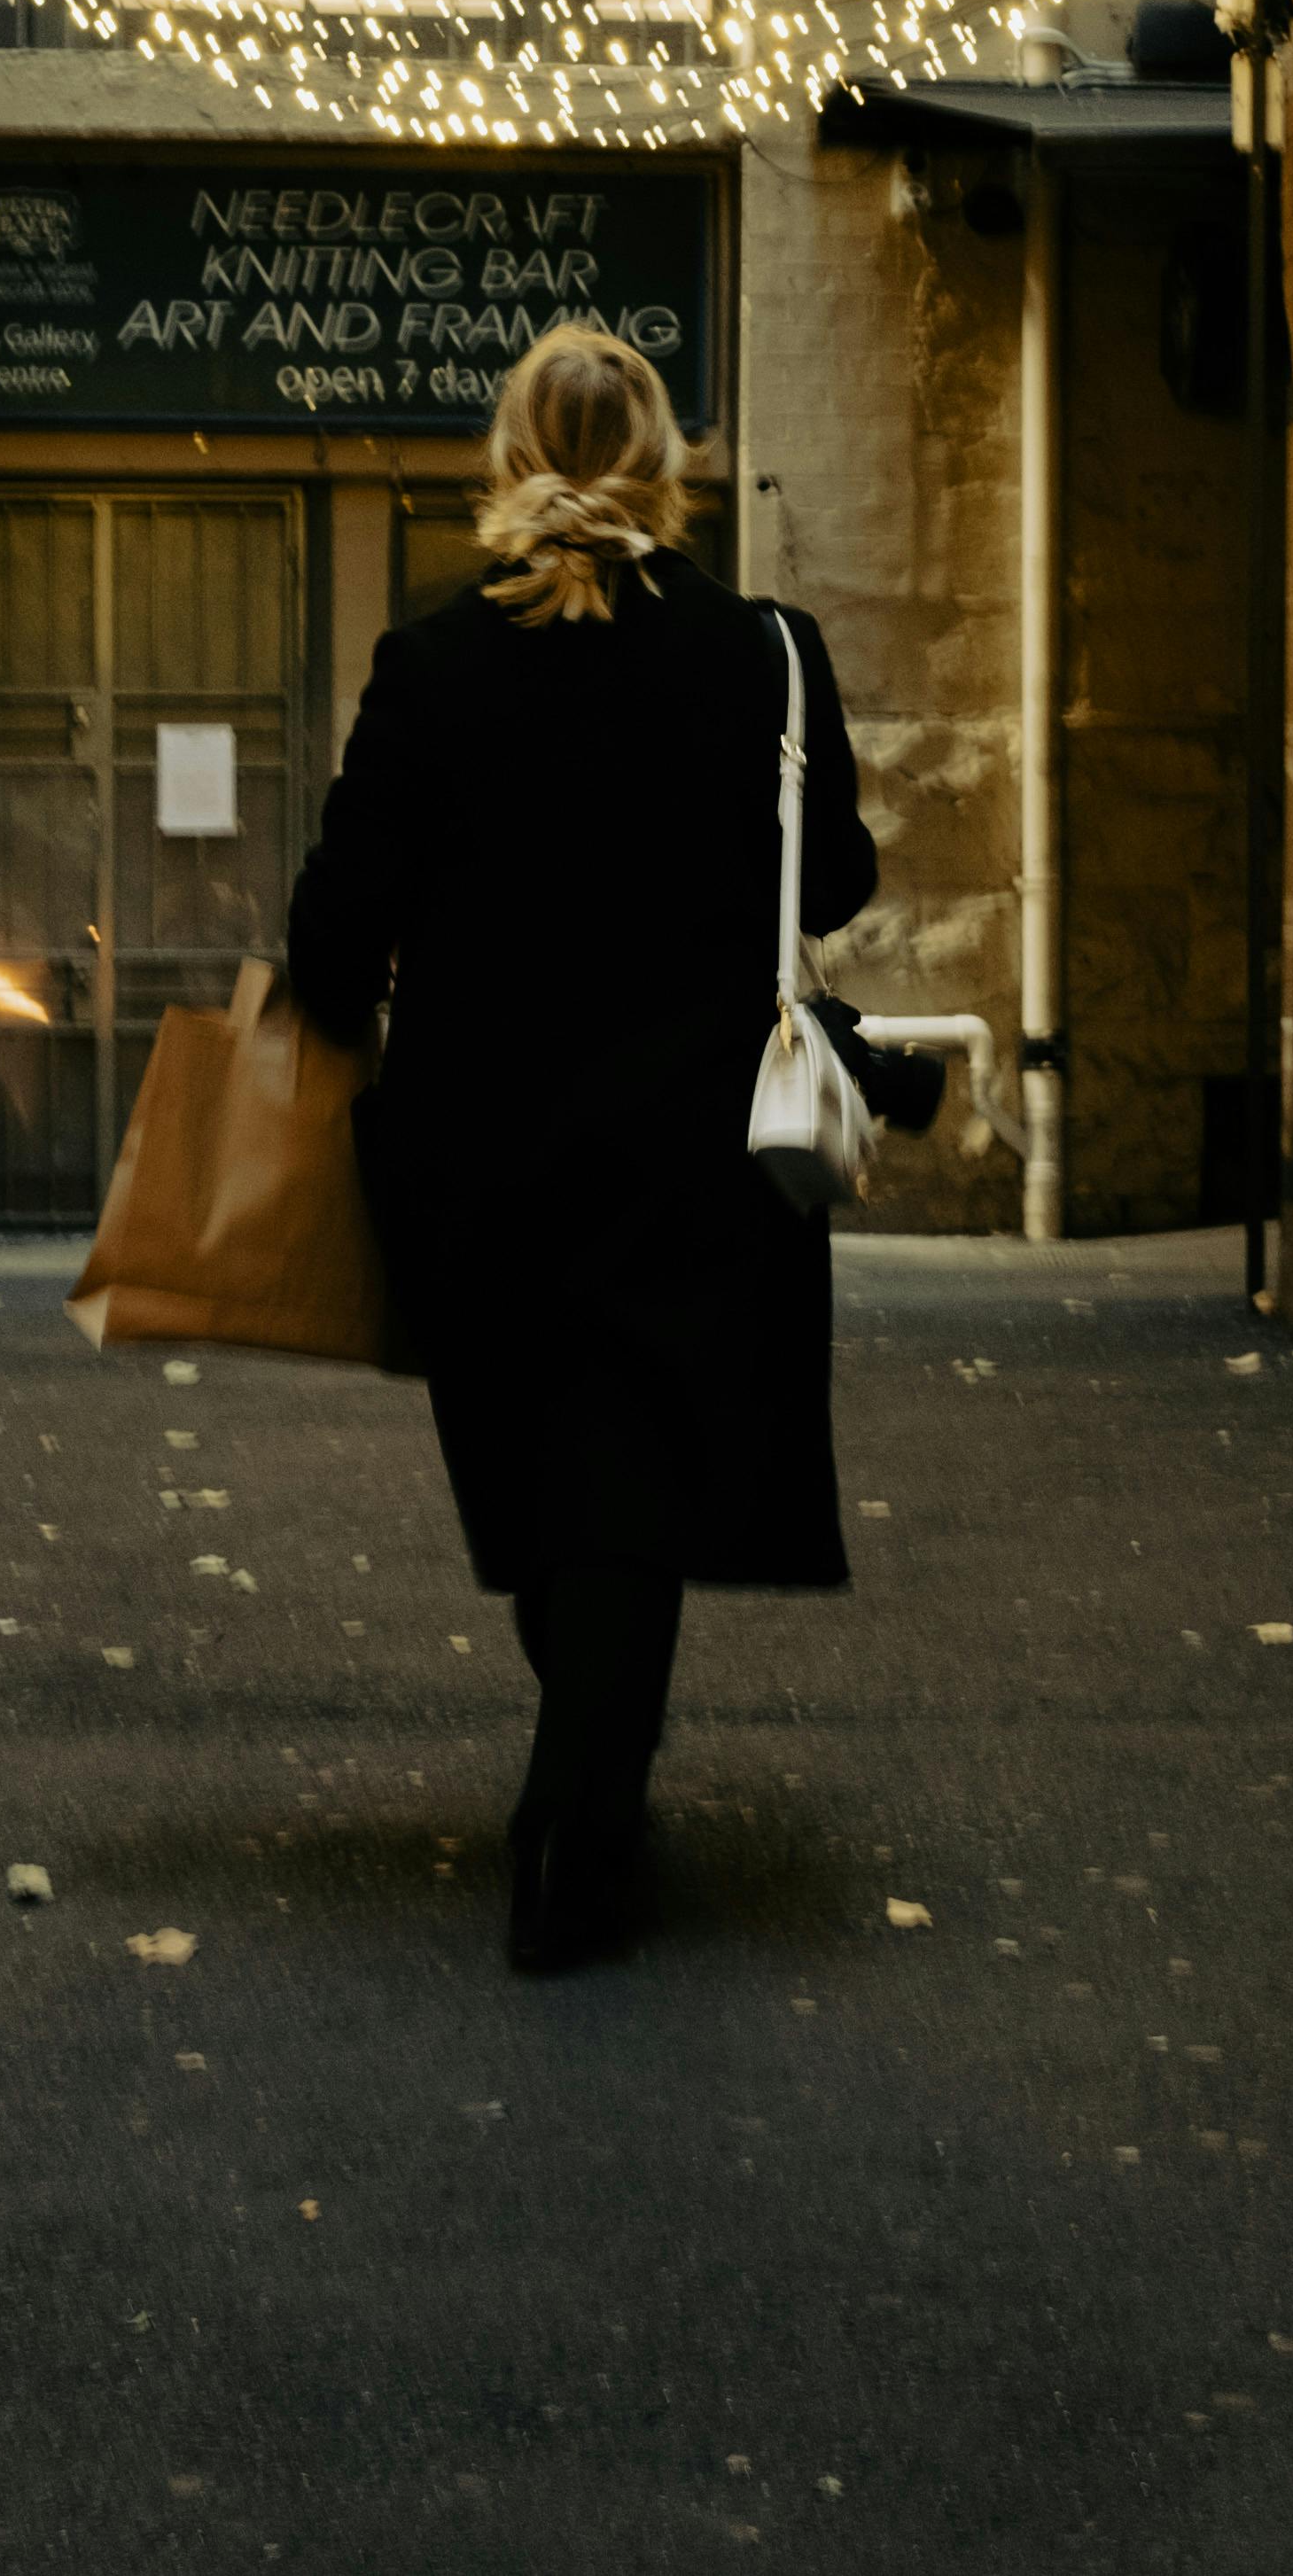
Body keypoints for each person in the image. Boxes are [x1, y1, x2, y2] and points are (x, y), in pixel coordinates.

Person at [285, 321, 877, 1975]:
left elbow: (337, 936)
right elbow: (833, 882)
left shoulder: (431, 667)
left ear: (509, 457)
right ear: (668, 463)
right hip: (696, 1146)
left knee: (555, 1474)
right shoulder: (766, 654)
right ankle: (587, 1792)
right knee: (634, 1470)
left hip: (474, 1159)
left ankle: (581, 1804)